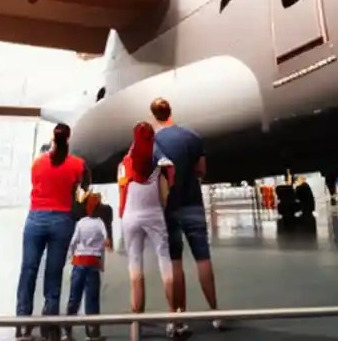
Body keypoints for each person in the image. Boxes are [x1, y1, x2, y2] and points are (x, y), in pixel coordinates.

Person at [151, 98, 221, 333]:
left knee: (175, 263)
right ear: (171, 112)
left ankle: (178, 317)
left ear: (154, 115)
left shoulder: (154, 141)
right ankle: (216, 313)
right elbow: (202, 170)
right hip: (193, 204)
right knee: (203, 258)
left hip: (169, 208)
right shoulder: (192, 136)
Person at [18, 123, 89, 341]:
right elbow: (85, 192)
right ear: (68, 139)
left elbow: (36, 184)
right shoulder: (78, 165)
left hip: (36, 218)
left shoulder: (37, 163)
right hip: (62, 220)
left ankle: (22, 323)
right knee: (53, 273)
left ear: (53, 138)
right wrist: (74, 207)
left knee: (28, 270)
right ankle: (50, 324)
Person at [117, 122, 182, 338]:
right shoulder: (159, 166)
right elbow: (165, 195)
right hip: (154, 216)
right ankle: (173, 319)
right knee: (165, 265)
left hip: (130, 218)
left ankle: (136, 324)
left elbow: (122, 190)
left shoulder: (124, 163)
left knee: (135, 271)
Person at [65, 192, 110, 341]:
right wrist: (101, 265)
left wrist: (73, 257)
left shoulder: (80, 223)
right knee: (92, 298)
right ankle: (92, 333)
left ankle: (67, 330)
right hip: (93, 263)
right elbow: (105, 242)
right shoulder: (99, 223)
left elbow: (73, 243)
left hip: (79, 262)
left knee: (74, 297)